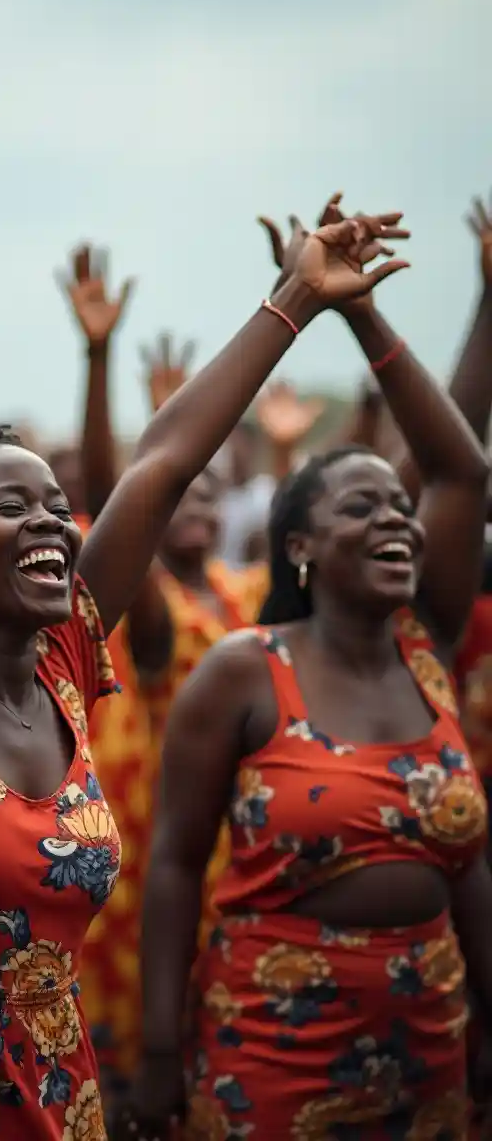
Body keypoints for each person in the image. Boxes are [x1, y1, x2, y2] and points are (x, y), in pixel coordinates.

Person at [0, 2, 413, 1138]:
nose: (49, 523)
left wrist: (295, 297)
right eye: (9, 506)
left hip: (59, 1086)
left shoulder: (69, 658)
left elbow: (169, 460)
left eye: (55, 506)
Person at [122, 214, 492, 1137]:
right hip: (274, 1050)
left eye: (400, 510)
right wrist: (159, 1054)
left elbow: (461, 469)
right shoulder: (245, 673)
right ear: (298, 548)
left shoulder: (426, 649)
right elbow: (172, 867)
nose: (396, 523)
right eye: (361, 508)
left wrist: (365, 316)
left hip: (432, 1043)